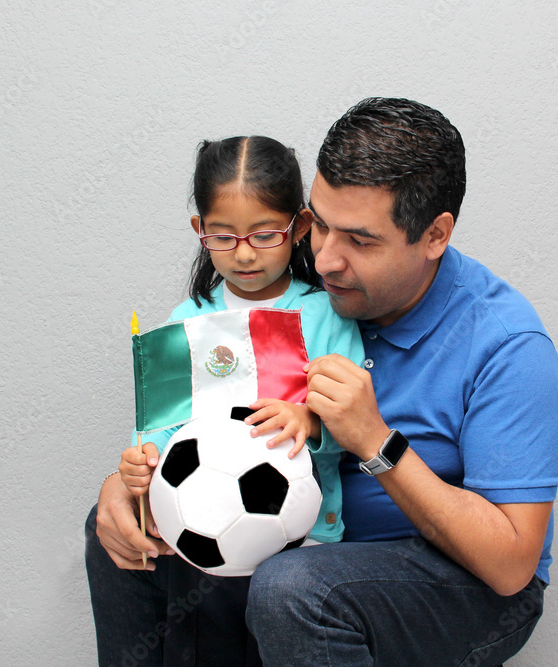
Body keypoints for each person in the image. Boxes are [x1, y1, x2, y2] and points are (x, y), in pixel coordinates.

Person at [87, 98, 558, 667]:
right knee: (117, 533)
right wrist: (131, 487)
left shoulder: (506, 345)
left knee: (292, 588)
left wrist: (375, 442)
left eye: (360, 242)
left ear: (435, 235)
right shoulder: (304, 298)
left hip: (451, 580)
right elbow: (209, 417)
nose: (328, 260)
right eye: (319, 226)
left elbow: (510, 565)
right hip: (288, 542)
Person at [88, 135, 364, 665]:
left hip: (305, 540)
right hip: (203, 536)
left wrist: (307, 420)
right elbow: (161, 428)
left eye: (263, 235)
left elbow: (349, 430)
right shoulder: (186, 322)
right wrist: (138, 465)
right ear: (200, 232)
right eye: (223, 235)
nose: (242, 253)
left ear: (299, 227)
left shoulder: (327, 318)